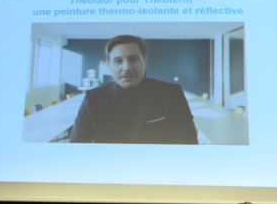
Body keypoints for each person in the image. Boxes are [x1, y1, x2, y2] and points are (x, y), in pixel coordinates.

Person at [69, 35, 198, 144]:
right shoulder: (93, 99)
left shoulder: (171, 94)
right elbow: (75, 149)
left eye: (133, 59)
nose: (126, 67)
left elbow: (189, 145)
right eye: (118, 61)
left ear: (145, 60)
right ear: (109, 65)